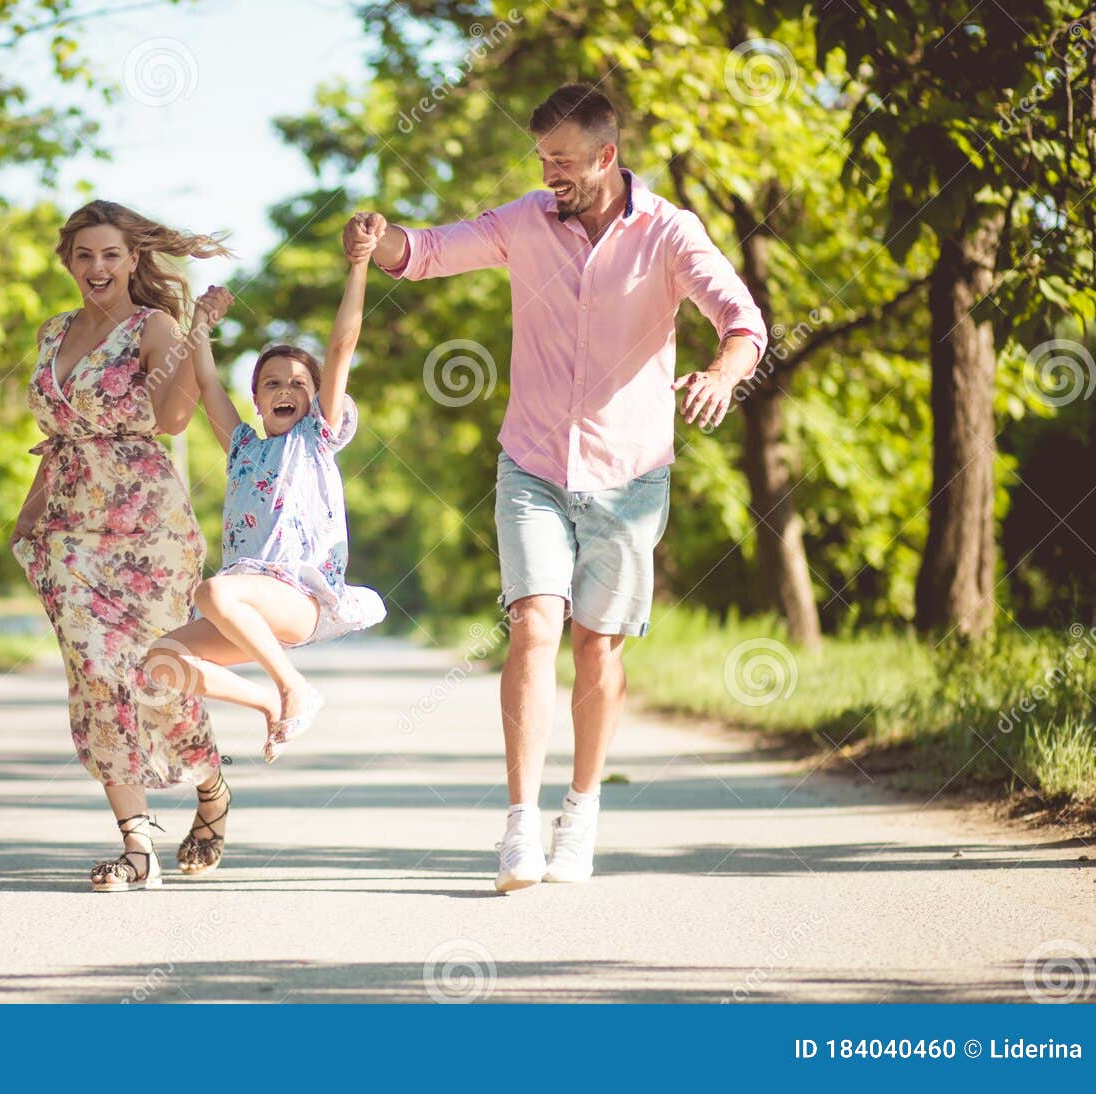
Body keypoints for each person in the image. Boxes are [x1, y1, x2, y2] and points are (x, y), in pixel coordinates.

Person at [346, 82, 766, 892]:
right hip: (533, 463)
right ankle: (519, 826)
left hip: (629, 473)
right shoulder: (525, 222)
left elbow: (742, 320)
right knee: (533, 627)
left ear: (607, 156)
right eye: (543, 160)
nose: (550, 176)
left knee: (595, 644)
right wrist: (382, 235)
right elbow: (429, 251)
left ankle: (581, 814)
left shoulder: (670, 233)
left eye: (565, 162)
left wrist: (721, 371)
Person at [137, 222, 388, 874]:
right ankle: (274, 700)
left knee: (213, 591)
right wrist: (198, 322)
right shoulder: (245, 445)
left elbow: (340, 346)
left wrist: (358, 264)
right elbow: (208, 384)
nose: (285, 390)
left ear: (317, 404)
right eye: (271, 382)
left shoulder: (315, 439)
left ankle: (292, 686)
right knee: (159, 664)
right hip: (252, 602)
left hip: (300, 595)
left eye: (297, 385)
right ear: (257, 398)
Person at [10, 199, 231, 893]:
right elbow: (59, 435)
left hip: (146, 527)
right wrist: (28, 517)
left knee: (155, 676)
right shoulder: (53, 331)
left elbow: (171, 419)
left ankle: (212, 790)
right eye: (84, 255)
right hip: (70, 526)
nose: (96, 267)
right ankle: (137, 846)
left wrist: (196, 336)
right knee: (96, 675)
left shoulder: (152, 326)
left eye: (110, 254)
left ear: (133, 260)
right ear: (68, 263)